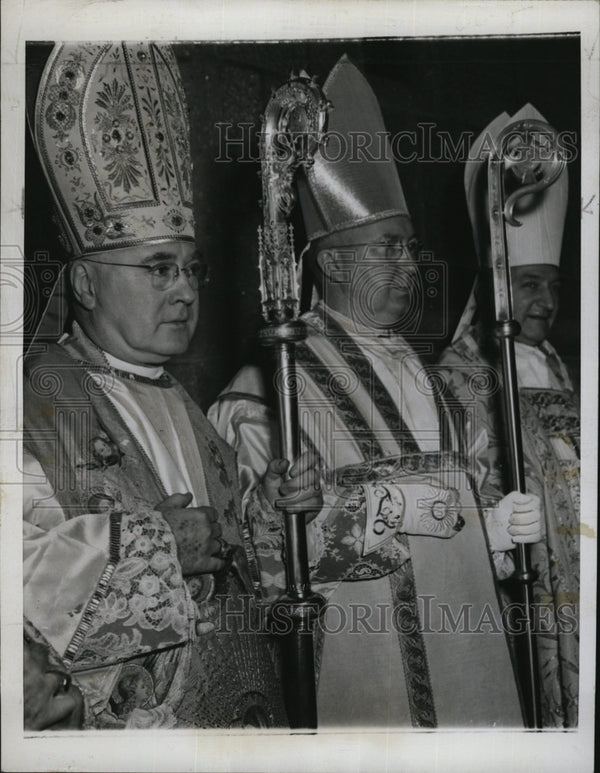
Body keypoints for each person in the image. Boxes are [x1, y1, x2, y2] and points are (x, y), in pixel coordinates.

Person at [208, 55, 542, 728]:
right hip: (366, 690)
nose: (410, 266)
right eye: (389, 248)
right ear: (331, 259)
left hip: (474, 675)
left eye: (410, 249)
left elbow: (462, 498)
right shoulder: (271, 384)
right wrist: (291, 507)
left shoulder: (430, 374)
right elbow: (258, 563)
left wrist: (495, 533)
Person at [23, 42, 320, 730]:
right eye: (159, 268)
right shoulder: (35, 406)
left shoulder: (189, 406)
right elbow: (24, 576)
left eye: (193, 268)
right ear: (86, 280)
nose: (185, 289)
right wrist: (160, 551)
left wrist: (268, 512)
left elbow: (235, 565)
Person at [437, 105, 579, 727]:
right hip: (522, 591)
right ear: (496, 288)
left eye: (552, 283)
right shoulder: (460, 374)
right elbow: (468, 493)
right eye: (527, 284)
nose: (546, 300)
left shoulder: (559, 365)